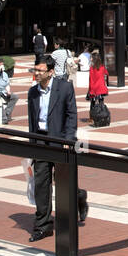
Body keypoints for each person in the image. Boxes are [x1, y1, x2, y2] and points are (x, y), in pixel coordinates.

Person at [28, 55, 89, 242]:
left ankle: (80, 197)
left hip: (61, 140)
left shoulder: (64, 88)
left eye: (40, 70)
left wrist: (69, 140)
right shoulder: (33, 92)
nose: (36, 74)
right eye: (35, 70)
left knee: (64, 182)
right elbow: (32, 121)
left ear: (51, 71)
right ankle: (43, 225)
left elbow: (72, 115)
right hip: (40, 141)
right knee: (41, 185)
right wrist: (32, 146)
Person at [87, 50, 108, 120]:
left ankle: (92, 118)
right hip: (102, 88)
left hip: (95, 88)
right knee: (101, 103)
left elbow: (91, 80)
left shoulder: (92, 68)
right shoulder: (102, 67)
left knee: (92, 103)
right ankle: (102, 116)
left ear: (93, 59)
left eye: (91, 58)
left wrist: (90, 90)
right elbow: (106, 73)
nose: (90, 59)